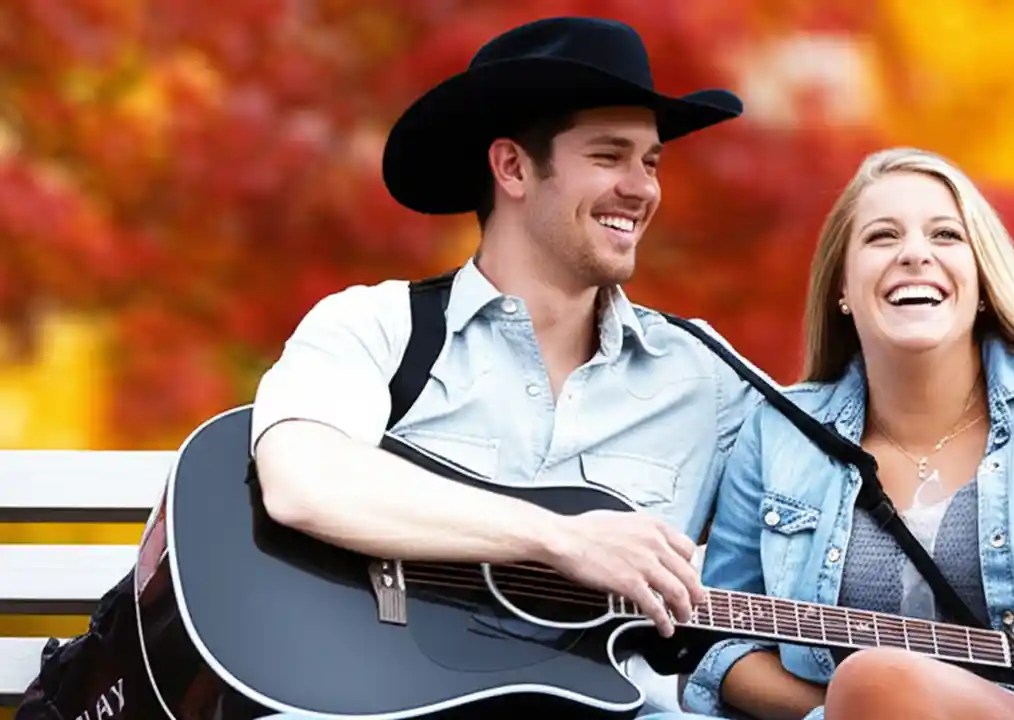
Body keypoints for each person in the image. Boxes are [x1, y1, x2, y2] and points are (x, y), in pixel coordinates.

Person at [248, 15, 763, 715]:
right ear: (513, 167)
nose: (642, 189)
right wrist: (558, 540)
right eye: (611, 156)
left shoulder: (707, 377)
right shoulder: (377, 326)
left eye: (651, 162)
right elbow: (301, 482)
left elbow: (818, 536)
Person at [660, 147, 1014, 720]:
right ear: (842, 287)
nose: (915, 254)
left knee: (875, 678)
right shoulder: (779, 431)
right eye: (883, 237)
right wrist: (859, 708)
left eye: (945, 236)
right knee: (873, 681)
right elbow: (723, 636)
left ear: (983, 280)